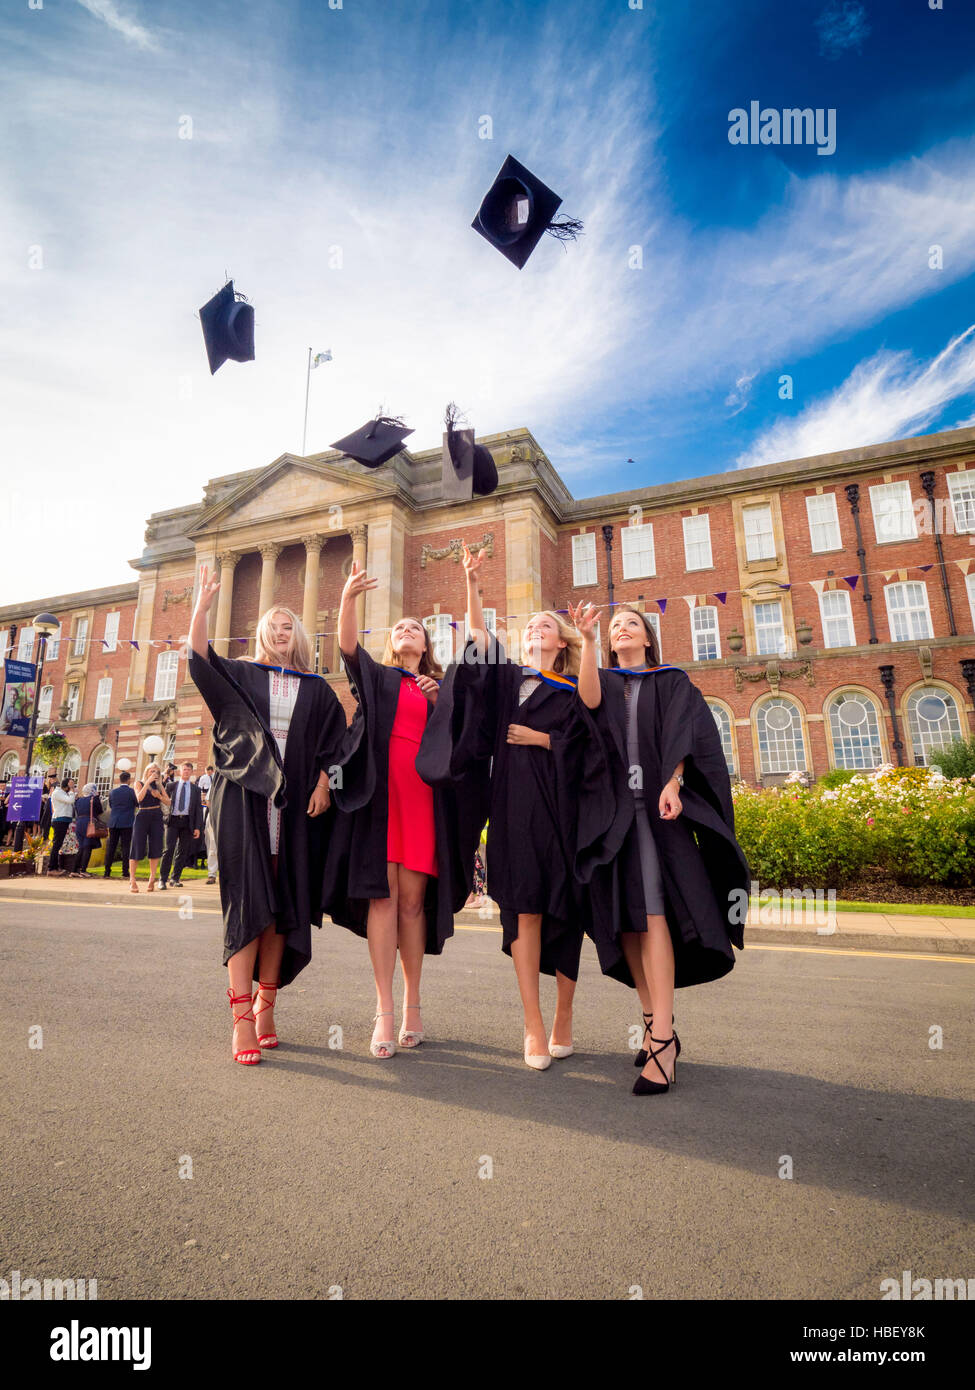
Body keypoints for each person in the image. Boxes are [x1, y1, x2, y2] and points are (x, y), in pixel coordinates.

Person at [420, 546, 617, 1071]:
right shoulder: (508, 680)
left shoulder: (574, 688)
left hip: (562, 814)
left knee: (567, 915)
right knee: (523, 911)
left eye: (544, 627)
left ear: (560, 641)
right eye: (529, 626)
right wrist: (474, 586)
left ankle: (564, 1016)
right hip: (511, 813)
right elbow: (480, 643)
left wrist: (542, 740)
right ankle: (532, 1024)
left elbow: (593, 737)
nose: (534, 631)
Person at [572, 602, 750, 1097]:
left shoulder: (672, 681)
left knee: (652, 917)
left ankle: (665, 1040)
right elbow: (586, 703)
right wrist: (586, 640)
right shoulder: (604, 679)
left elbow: (685, 736)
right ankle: (652, 1024)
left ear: (648, 638)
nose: (621, 630)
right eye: (614, 628)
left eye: (630, 624)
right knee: (627, 921)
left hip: (655, 813)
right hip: (612, 816)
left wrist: (673, 782)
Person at [188, 565, 351, 1067]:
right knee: (247, 904)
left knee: (282, 907)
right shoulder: (239, 674)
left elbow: (338, 746)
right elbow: (197, 658)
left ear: (299, 637)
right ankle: (240, 1020)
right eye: (275, 625)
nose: (282, 632)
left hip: (297, 808)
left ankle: (266, 1007)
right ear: (261, 634)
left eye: (290, 627)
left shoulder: (317, 687)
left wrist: (326, 783)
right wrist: (203, 605)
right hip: (243, 801)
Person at [323, 562, 486, 1059]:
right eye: (399, 628)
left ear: (425, 643)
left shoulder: (440, 686)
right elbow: (348, 648)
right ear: (392, 644)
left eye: (415, 627)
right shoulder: (379, 677)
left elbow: (478, 649)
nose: (407, 630)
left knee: (414, 902)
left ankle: (414, 1003)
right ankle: (384, 1008)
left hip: (422, 797)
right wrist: (348, 596)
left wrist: (472, 585)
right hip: (380, 798)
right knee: (383, 899)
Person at [159, 762, 205, 888]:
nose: (186, 771)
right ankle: (162, 880)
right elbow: (162, 802)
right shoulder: (171, 786)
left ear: (191, 772)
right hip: (172, 821)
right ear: (180, 771)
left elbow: (198, 810)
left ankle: (175, 878)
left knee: (183, 851)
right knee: (169, 850)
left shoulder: (196, 789)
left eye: (189, 770)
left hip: (187, 822)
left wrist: (197, 827)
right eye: (184, 769)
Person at [130, 762, 170, 892]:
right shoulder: (139, 783)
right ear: (146, 772)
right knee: (137, 847)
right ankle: (132, 880)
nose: (154, 773)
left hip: (156, 816)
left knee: (156, 847)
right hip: (142, 815)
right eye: (151, 771)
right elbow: (139, 798)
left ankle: (152, 878)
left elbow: (169, 802)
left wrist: (159, 795)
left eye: (156, 772)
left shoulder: (160, 786)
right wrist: (147, 783)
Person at [104, 770, 137, 878]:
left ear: (120, 780)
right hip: (127, 822)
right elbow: (137, 804)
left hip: (114, 822)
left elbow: (111, 805)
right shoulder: (132, 792)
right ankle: (125, 872)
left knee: (111, 848)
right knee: (126, 847)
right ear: (129, 780)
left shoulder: (113, 792)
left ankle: (107, 871)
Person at [70, 782, 105, 877]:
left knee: (81, 847)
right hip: (89, 824)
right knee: (87, 847)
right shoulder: (94, 799)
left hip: (79, 823)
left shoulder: (78, 800)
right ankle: (83, 870)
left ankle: (74, 870)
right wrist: (97, 797)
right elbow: (100, 811)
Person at [48, 778, 76, 874]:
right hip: (59, 820)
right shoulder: (57, 792)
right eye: (71, 783)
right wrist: (72, 791)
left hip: (64, 820)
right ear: (66, 784)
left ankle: (55, 867)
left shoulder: (64, 793)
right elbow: (70, 801)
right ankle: (51, 868)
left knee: (58, 844)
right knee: (56, 844)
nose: (73, 785)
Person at [197, 765, 218, 883]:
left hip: (229, 819)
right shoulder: (215, 784)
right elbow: (208, 801)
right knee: (212, 847)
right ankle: (212, 874)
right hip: (214, 817)